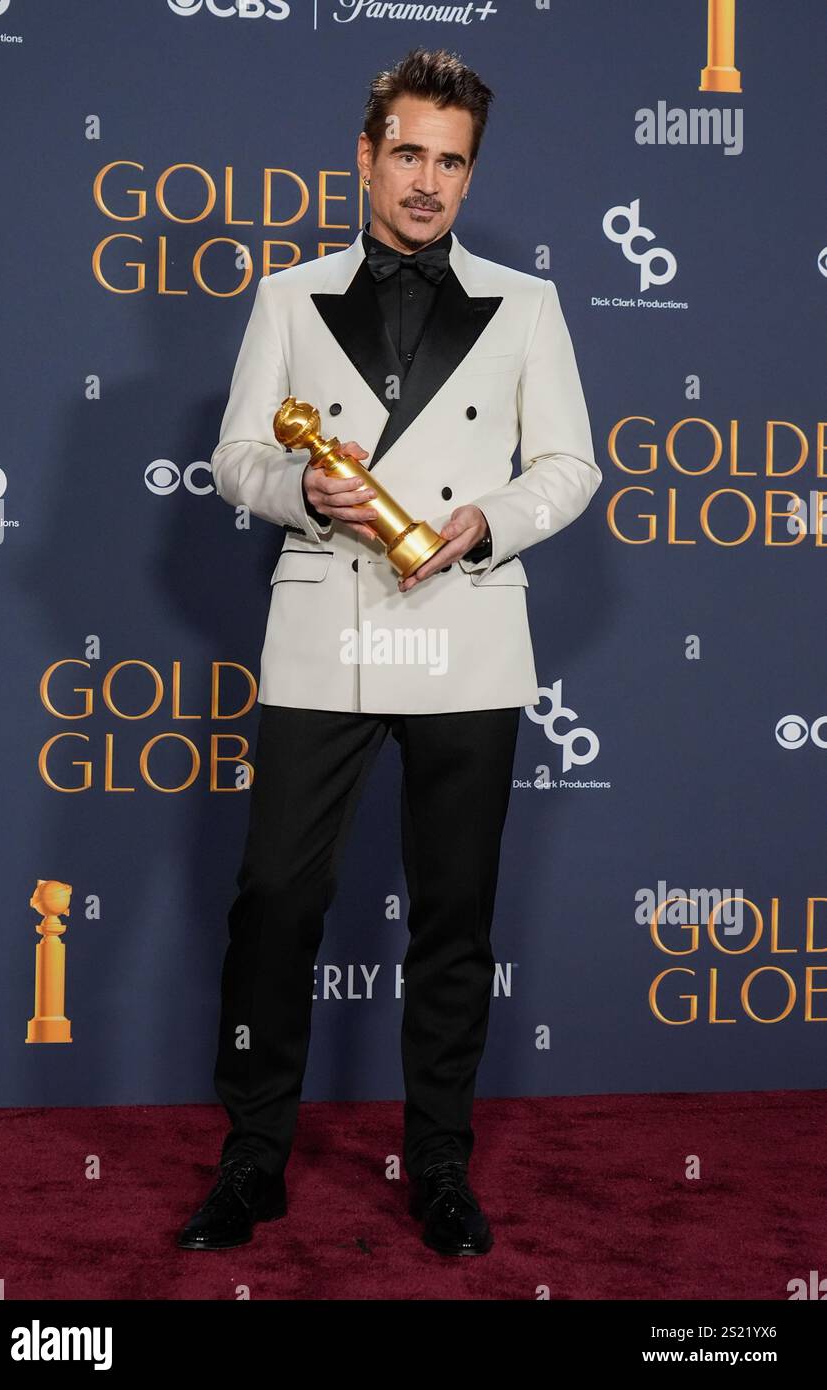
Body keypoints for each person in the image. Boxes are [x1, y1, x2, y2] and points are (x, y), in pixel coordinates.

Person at [177, 47, 601, 1258]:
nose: (427, 182)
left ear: (471, 174)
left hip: (462, 626)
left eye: (450, 162)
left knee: (454, 915)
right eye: (407, 153)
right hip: (328, 622)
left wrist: (487, 522)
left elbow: (568, 466)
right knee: (274, 901)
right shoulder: (287, 295)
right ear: (365, 156)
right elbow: (235, 461)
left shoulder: (529, 305)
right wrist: (304, 488)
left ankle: (440, 1168)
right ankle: (252, 1161)